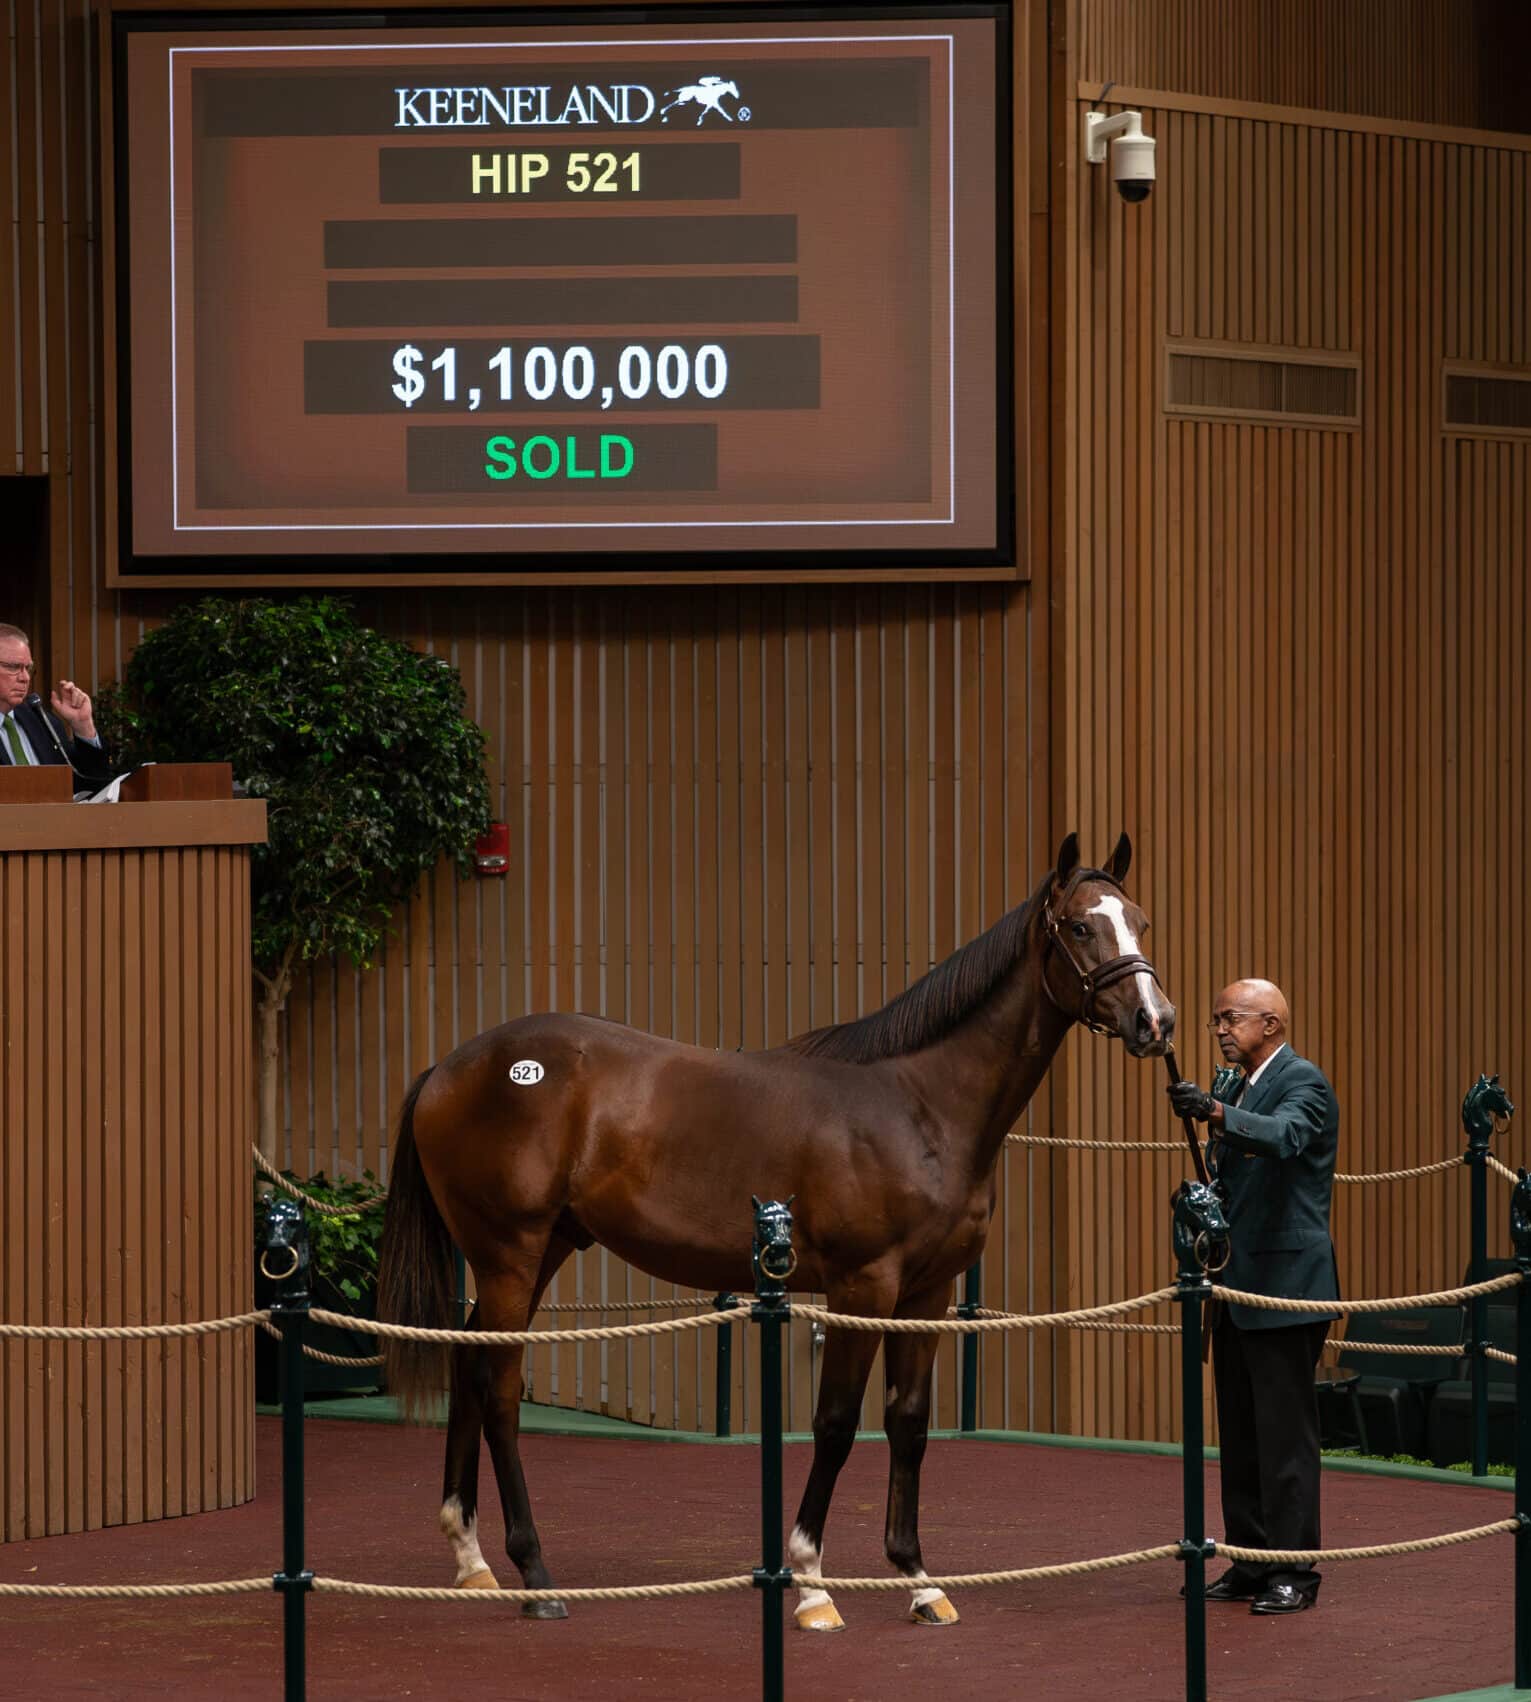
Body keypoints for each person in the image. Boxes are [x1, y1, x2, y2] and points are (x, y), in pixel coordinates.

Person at [1168, 978, 1340, 1615]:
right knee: (1240, 1434)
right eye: (1215, 1019)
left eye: (1230, 1018)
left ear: (1270, 1024)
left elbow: (1283, 1137)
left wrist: (1215, 1114)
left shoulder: (1304, 1081)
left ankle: (1294, 1570)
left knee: (1284, 1438)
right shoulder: (1238, 1085)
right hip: (1236, 1284)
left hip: (1286, 1286)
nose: (1219, 1029)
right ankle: (1250, 1559)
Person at [0, 622, 113, 788]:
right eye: (13, 667)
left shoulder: (42, 721)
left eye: (28, 668)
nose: (25, 678)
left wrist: (83, 727)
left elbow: (89, 783)